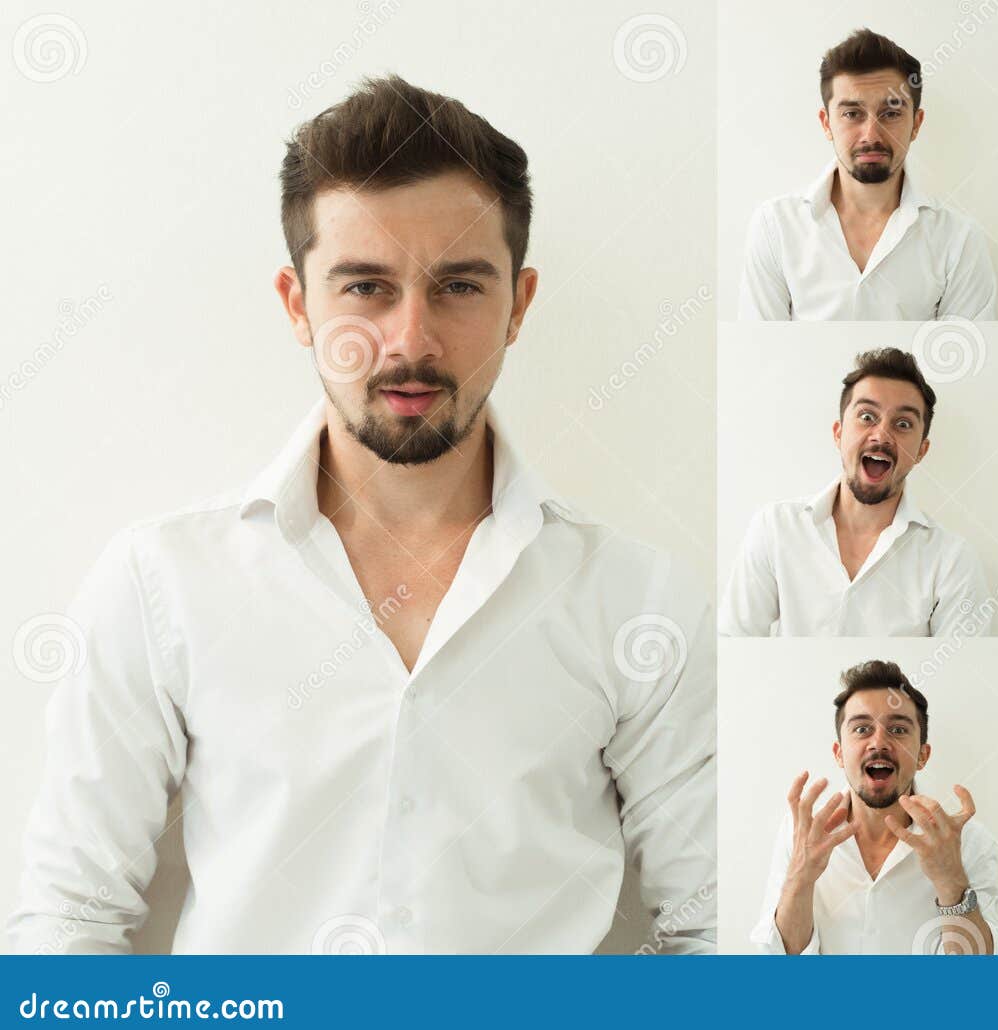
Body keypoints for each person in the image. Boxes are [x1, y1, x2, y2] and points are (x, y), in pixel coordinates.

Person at [6, 76, 715, 955]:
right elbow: (68, 923)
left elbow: (709, 927)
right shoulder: (162, 582)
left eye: (458, 286)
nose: (410, 340)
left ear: (519, 304)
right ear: (299, 305)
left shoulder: (639, 601)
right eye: (366, 287)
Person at [720, 348, 991, 636]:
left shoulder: (953, 560)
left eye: (903, 424)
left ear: (921, 451)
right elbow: (734, 641)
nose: (881, 436)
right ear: (838, 433)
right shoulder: (775, 527)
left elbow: (957, 668)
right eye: (866, 416)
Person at [751, 660, 998, 954]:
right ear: (839, 753)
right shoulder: (800, 830)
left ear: (923, 755)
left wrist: (951, 881)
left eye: (898, 730)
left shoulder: (968, 841)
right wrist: (800, 876)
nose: (879, 742)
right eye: (862, 728)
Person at [738, 28, 996, 320]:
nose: (871, 134)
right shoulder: (776, 227)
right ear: (826, 123)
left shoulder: (959, 239)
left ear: (916, 123)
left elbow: (967, 361)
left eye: (891, 112)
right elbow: (761, 354)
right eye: (852, 114)